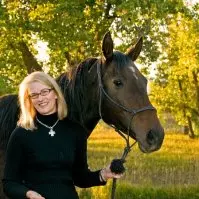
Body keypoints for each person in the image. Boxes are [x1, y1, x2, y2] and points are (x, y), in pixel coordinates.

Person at [2, 71, 123, 199]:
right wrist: (28, 194)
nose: (41, 98)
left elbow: (80, 178)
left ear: (55, 93)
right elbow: (9, 183)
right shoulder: (21, 134)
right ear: (29, 100)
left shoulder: (75, 131)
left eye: (44, 92)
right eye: (34, 95)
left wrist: (104, 174)